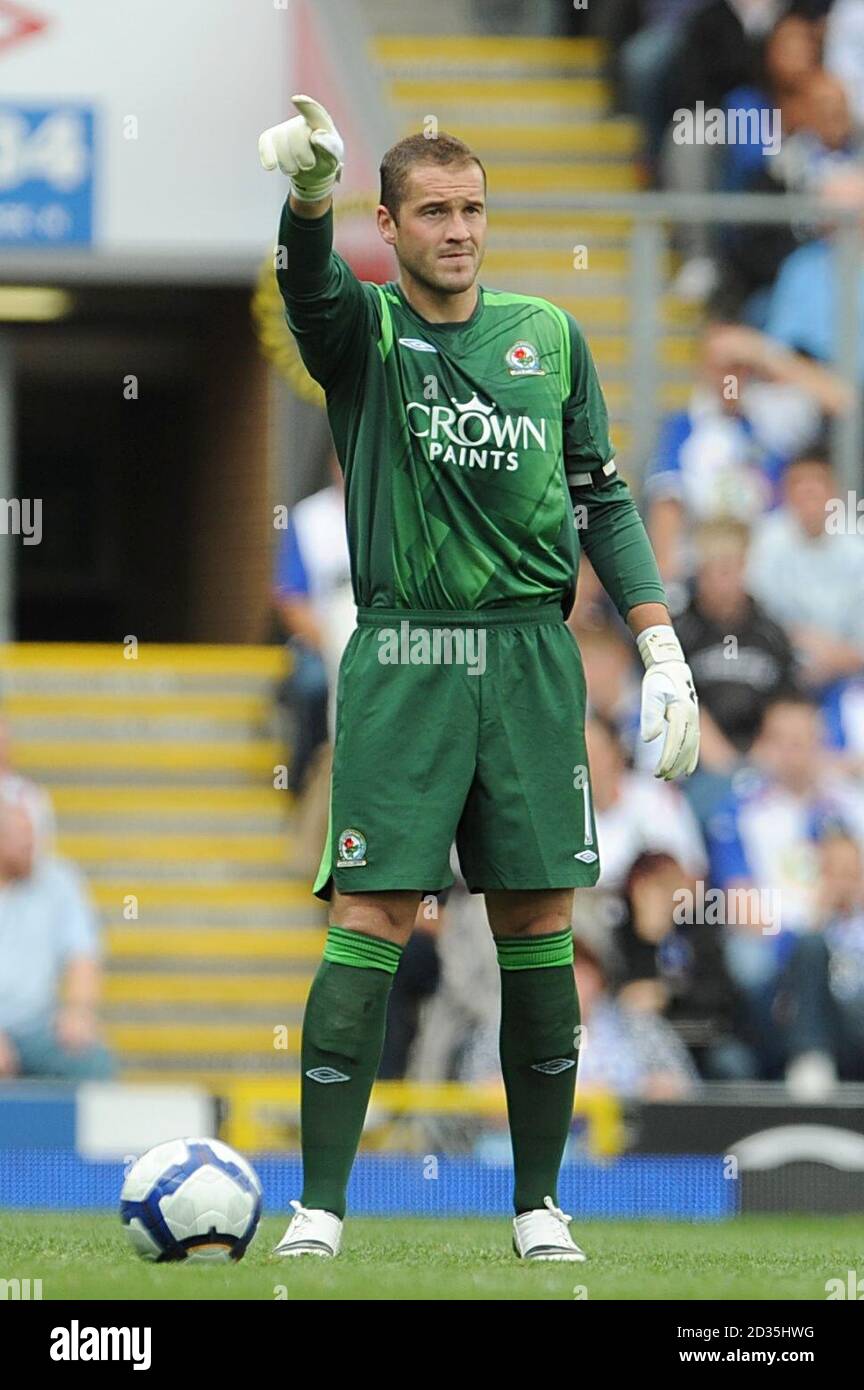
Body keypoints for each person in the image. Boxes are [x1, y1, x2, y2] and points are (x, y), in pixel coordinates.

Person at [258, 97, 700, 1262]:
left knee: (543, 917)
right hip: (409, 652)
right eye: (434, 212)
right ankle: (320, 1206)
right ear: (393, 228)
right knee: (372, 916)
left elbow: (604, 493)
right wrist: (309, 201)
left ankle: (539, 1203)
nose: (458, 230)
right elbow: (309, 286)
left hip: (531, 657)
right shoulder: (364, 337)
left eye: (473, 209)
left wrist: (658, 643)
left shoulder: (548, 336)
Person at [0, 802, 113, 1081]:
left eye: (32, 833)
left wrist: (77, 1011)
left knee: (92, 1060)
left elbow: (83, 954)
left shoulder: (58, 879)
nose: (32, 844)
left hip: (39, 1027)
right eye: (20, 836)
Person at [746, 450, 864, 691]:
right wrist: (799, 642)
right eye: (798, 484)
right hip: (778, 670)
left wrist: (835, 657)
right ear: (785, 494)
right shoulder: (764, 542)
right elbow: (753, 619)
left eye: (817, 483)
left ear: (835, 492)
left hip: (850, 675)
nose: (808, 492)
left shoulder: (857, 548)